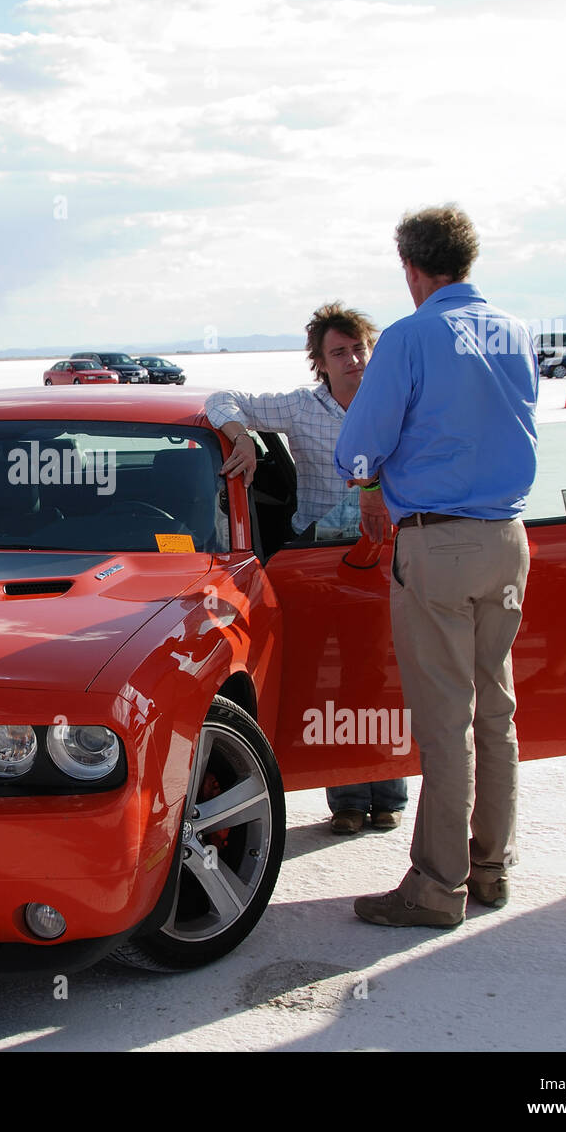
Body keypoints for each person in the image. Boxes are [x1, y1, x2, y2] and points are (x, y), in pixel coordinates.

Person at [334, 204, 538, 928]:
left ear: (413, 270)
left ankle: (436, 886)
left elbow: (359, 447)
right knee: (498, 710)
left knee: (447, 720)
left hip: (438, 543)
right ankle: (490, 868)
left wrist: (365, 486)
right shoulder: (515, 331)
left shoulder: (410, 336)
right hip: (507, 539)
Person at [205, 302, 407, 833]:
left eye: (359, 347)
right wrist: (241, 434)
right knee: (328, 679)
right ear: (320, 361)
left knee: (379, 674)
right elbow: (221, 398)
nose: (354, 359)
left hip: (384, 555)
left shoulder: (394, 400)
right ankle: (344, 798)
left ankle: (386, 791)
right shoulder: (300, 407)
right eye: (339, 352)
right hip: (319, 562)